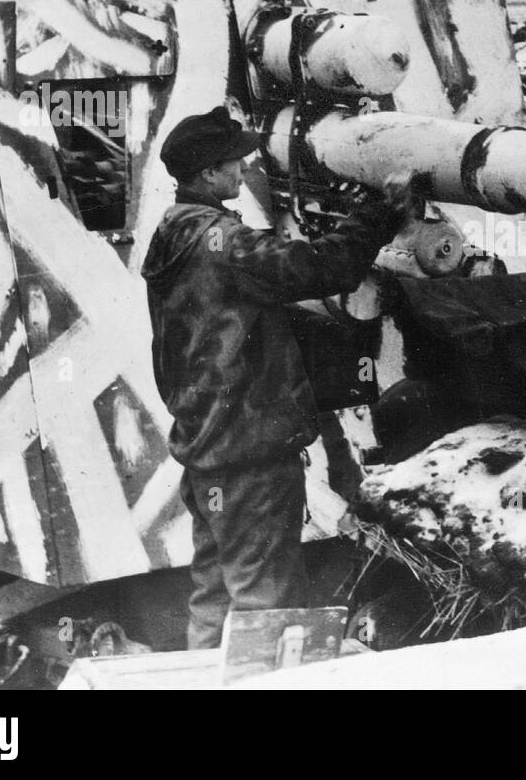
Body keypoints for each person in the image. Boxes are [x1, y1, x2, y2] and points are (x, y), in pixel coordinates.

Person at [141, 105, 413, 649]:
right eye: (234, 163)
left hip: (207, 452)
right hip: (250, 456)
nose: (243, 171)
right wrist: (378, 213)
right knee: (269, 604)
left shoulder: (173, 231)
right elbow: (320, 268)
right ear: (207, 173)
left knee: (216, 596)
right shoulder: (224, 243)